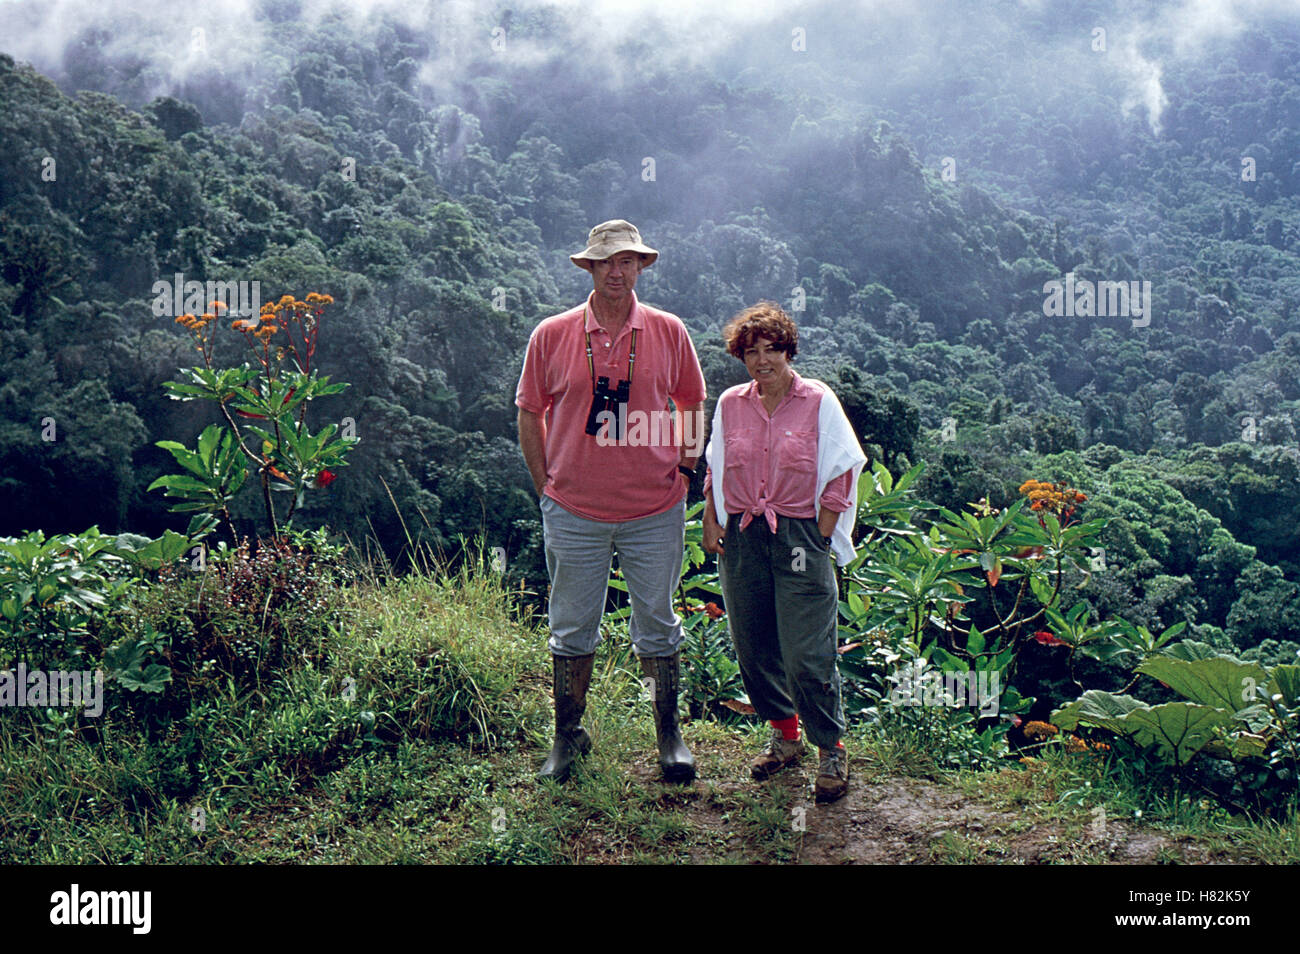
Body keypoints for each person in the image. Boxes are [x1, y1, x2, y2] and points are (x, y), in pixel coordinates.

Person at [516, 219, 706, 784]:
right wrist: (545, 482)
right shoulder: (551, 334)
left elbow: (692, 399)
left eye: (627, 261)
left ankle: (669, 736)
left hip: (654, 507)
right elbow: (531, 411)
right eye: (606, 262)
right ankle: (567, 737)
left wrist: (687, 468)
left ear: (641, 267)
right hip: (574, 509)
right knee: (572, 625)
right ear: (590, 268)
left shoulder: (669, 331)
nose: (617, 271)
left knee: (657, 621)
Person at [702, 302, 866, 802]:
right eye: (751, 352)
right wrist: (712, 518)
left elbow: (841, 467)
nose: (761, 361)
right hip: (745, 535)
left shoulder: (817, 401)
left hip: (799, 536)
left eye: (771, 349)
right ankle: (785, 736)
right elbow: (716, 464)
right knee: (752, 643)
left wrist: (823, 529)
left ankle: (830, 748)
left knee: (807, 653)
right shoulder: (732, 402)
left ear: (788, 350)